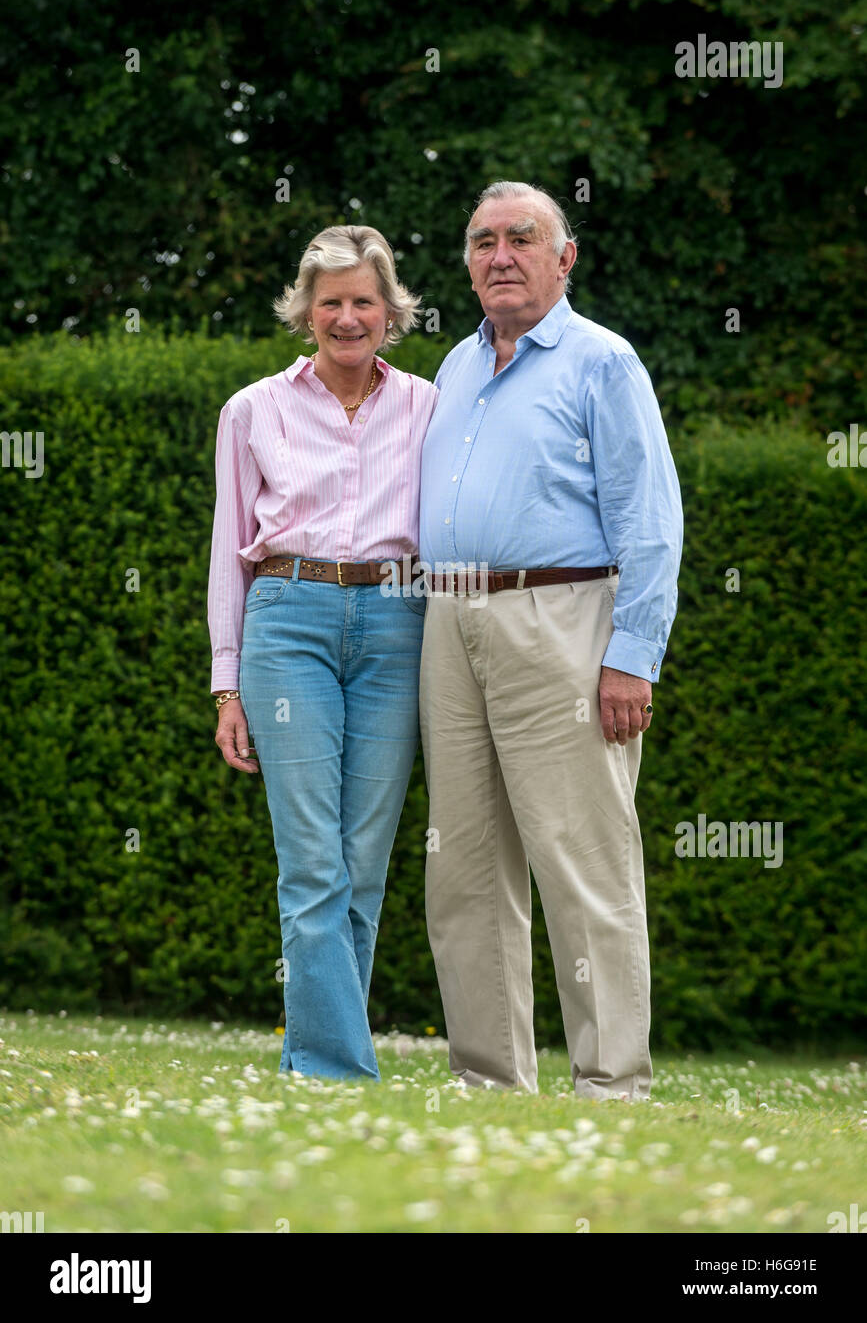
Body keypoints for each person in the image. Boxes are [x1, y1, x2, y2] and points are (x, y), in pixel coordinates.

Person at [418, 181, 683, 1100]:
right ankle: (489, 1081)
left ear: (563, 258)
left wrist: (631, 655)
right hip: (446, 623)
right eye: (482, 240)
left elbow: (650, 520)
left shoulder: (600, 362)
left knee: (581, 860)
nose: (499, 255)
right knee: (461, 867)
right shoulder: (452, 368)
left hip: (565, 622)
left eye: (521, 238)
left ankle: (611, 1085)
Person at [207, 225, 437, 1081]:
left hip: (398, 622)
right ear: (305, 312)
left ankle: (317, 1061)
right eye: (329, 301)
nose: (347, 317)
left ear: (390, 311)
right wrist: (227, 685)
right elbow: (229, 548)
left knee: (362, 862)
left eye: (363, 301)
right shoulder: (252, 409)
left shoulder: (430, 405)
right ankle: (337, 1070)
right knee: (310, 860)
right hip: (287, 616)